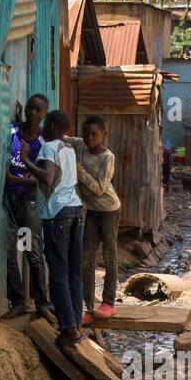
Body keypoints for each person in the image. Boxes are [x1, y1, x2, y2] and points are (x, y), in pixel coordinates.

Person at [24, 110, 84, 347]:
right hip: (76, 210)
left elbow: (47, 179)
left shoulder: (49, 147)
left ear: (50, 125)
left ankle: (68, 329)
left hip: (57, 214)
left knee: (58, 271)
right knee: (73, 271)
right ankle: (76, 322)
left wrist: (26, 158)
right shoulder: (68, 148)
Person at [3, 94, 51, 321]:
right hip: (10, 201)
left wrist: (15, 179)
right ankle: (19, 301)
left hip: (31, 202)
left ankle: (42, 303)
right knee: (10, 252)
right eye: (30, 108)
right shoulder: (11, 132)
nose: (32, 112)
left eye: (38, 110)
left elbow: (44, 180)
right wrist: (17, 180)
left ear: (44, 115)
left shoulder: (43, 142)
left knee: (33, 252)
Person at [69, 115, 119, 321]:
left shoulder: (108, 157)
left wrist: (79, 171)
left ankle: (108, 302)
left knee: (109, 256)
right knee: (86, 258)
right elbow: (62, 137)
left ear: (103, 135)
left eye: (94, 134)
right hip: (90, 211)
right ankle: (87, 305)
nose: (89, 138)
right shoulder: (80, 144)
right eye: (86, 133)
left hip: (108, 210)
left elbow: (99, 189)